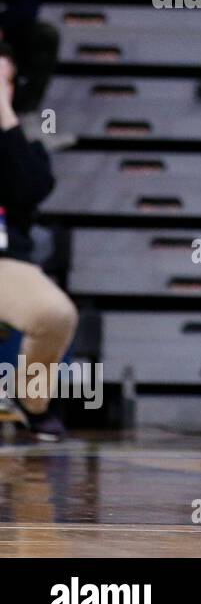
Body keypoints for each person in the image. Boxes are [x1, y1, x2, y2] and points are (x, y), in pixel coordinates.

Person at [0, 44, 75, 442]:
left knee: (56, 313)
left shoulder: (24, 141)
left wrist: (6, 120)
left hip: (4, 262)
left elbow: (31, 189)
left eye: (4, 81)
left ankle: (32, 401)